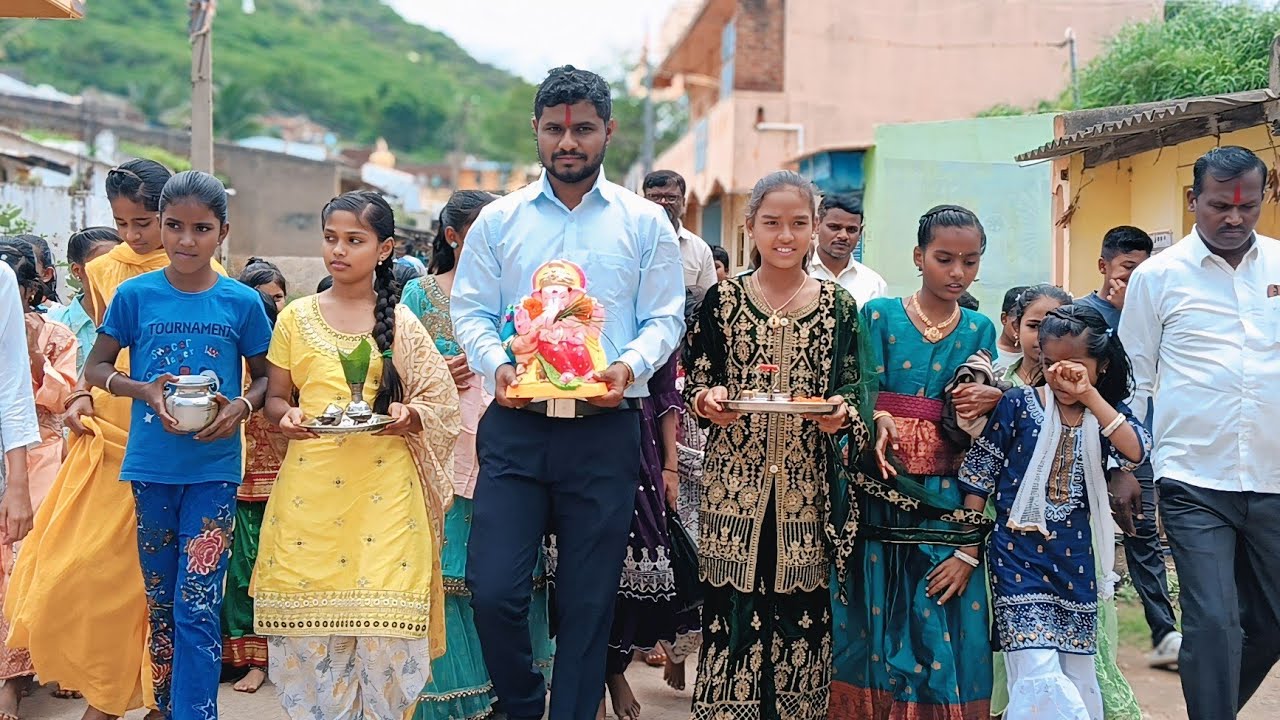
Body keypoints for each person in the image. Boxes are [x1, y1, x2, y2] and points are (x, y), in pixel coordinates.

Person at [451, 64, 684, 720]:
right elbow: (470, 309)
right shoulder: (500, 221)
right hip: (518, 424)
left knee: (588, 601)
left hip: (605, 427)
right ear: (537, 131)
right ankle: (522, 704)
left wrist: (628, 368)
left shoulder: (643, 224)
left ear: (608, 130)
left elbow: (666, 315)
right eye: (555, 129)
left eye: (583, 128)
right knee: (493, 588)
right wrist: (496, 364)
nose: (569, 142)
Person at [257, 191, 459, 720]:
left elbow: (439, 402)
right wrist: (285, 416)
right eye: (330, 239)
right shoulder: (296, 318)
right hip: (311, 498)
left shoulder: (402, 325)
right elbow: (277, 397)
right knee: (314, 643)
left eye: (354, 240)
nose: (338, 251)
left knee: (386, 634)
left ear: (385, 248)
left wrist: (409, 416)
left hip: (387, 497)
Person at [683, 171, 872, 720]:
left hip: (805, 488)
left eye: (798, 223)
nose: (785, 235)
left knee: (801, 611)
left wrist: (841, 415)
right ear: (750, 228)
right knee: (731, 609)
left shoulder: (838, 307)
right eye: (772, 223)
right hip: (733, 489)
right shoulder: (722, 300)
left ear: (814, 229)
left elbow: (852, 388)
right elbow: (697, 378)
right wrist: (707, 399)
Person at [84, 171, 272, 719]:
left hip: (214, 471)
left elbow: (263, 379)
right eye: (174, 226)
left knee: (198, 602)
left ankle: (194, 712)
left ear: (223, 233)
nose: (186, 241)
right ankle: (164, 705)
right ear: (161, 227)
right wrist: (139, 387)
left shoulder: (241, 303)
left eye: (201, 229)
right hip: (151, 468)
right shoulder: (134, 296)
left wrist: (241, 406)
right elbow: (95, 366)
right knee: (161, 603)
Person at [5, 158, 187, 720]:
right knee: (76, 567)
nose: (132, 236)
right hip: (106, 424)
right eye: (122, 223)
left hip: (169, 426)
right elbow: (102, 350)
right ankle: (94, 683)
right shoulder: (106, 268)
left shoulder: (197, 265)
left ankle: (134, 699)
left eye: (143, 223)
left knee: (149, 577)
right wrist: (82, 393)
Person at [1119, 146, 1280, 719]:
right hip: (1194, 479)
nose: (1234, 218)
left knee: (1269, 621)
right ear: (1194, 201)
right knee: (1213, 622)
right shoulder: (1157, 277)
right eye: (1220, 206)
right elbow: (1135, 380)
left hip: (1273, 477)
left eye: (1248, 206)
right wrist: (1128, 468)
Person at [830, 205, 1002, 719]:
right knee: (877, 610)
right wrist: (878, 413)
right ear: (918, 257)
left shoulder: (979, 328)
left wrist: (989, 399)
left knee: (945, 613)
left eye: (970, 262)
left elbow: (983, 424)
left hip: (949, 497)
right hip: (881, 490)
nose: (957, 273)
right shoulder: (877, 314)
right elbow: (856, 386)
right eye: (944, 259)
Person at [402, 190, 556, 720]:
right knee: (451, 568)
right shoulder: (422, 295)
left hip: (512, 447)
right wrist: (440, 375)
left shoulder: (526, 299)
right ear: (452, 237)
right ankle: (454, 695)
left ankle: (510, 687)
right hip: (446, 451)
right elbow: (397, 373)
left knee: (509, 575)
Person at [962, 304, 1149, 719]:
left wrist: (1090, 396)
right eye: (1050, 364)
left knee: (1075, 669)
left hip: (1075, 562)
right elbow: (979, 473)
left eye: (1075, 366)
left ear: (1100, 365)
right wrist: (968, 548)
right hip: (1016, 559)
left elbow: (1135, 449)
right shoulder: (1018, 404)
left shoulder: (1105, 414)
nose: (1062, 375)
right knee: (1034, 667)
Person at [1075, 226, 1180, 669]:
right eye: (1128, 271)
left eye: (1144, 272)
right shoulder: (1081, 313)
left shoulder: (1157, 310)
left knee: (1142, 536)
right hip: (1081, 439)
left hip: (1135, 441)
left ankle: (1164, 633)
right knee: (1078, 531)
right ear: (1104, 267)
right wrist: (1118, 319)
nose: (1137, 281)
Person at [0, 240, 77, 718]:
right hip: (20, 455)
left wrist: (31, 355)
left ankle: (19, 675)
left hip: (40, 453)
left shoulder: (57, 335)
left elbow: (55, 399)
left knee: (26, 564)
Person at [220, 260, 289, 693]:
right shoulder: (231, 358)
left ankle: (268, 659)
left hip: (284, 483)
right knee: (240, 575)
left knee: (275, 573)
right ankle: (243, 657)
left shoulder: (286, 359)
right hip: (237, 482)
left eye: (277, 299)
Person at [48, 227, 122, 375]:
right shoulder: (54, 325)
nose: (115, 271)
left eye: (121, 264)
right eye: (103, 265)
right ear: (77, 270)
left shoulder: (138, 317)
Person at [808, 193, 887, 307]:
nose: (843, 235)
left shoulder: (875, 285)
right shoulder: (796, 274)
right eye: (834, 227)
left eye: (851, 230)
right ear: (816, 225)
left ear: (860, 232)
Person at [643, 169, 716, 293]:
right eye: (655, 197)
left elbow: (708, 300)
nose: (663, 203)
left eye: (671, 197)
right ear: (643, 200)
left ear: (683, 202)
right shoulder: (630, 242)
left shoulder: (699, 250)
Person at [13, 234, 61, 312]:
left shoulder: (59, 317)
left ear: (47, 274)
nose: (16, 270)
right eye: (12, 263)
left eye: (26, 265)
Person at [995, 285, 1029, 371]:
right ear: (1004, 318)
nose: (1022, 325)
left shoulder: (1040, 357)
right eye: (1018, 318)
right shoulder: (987, 356)